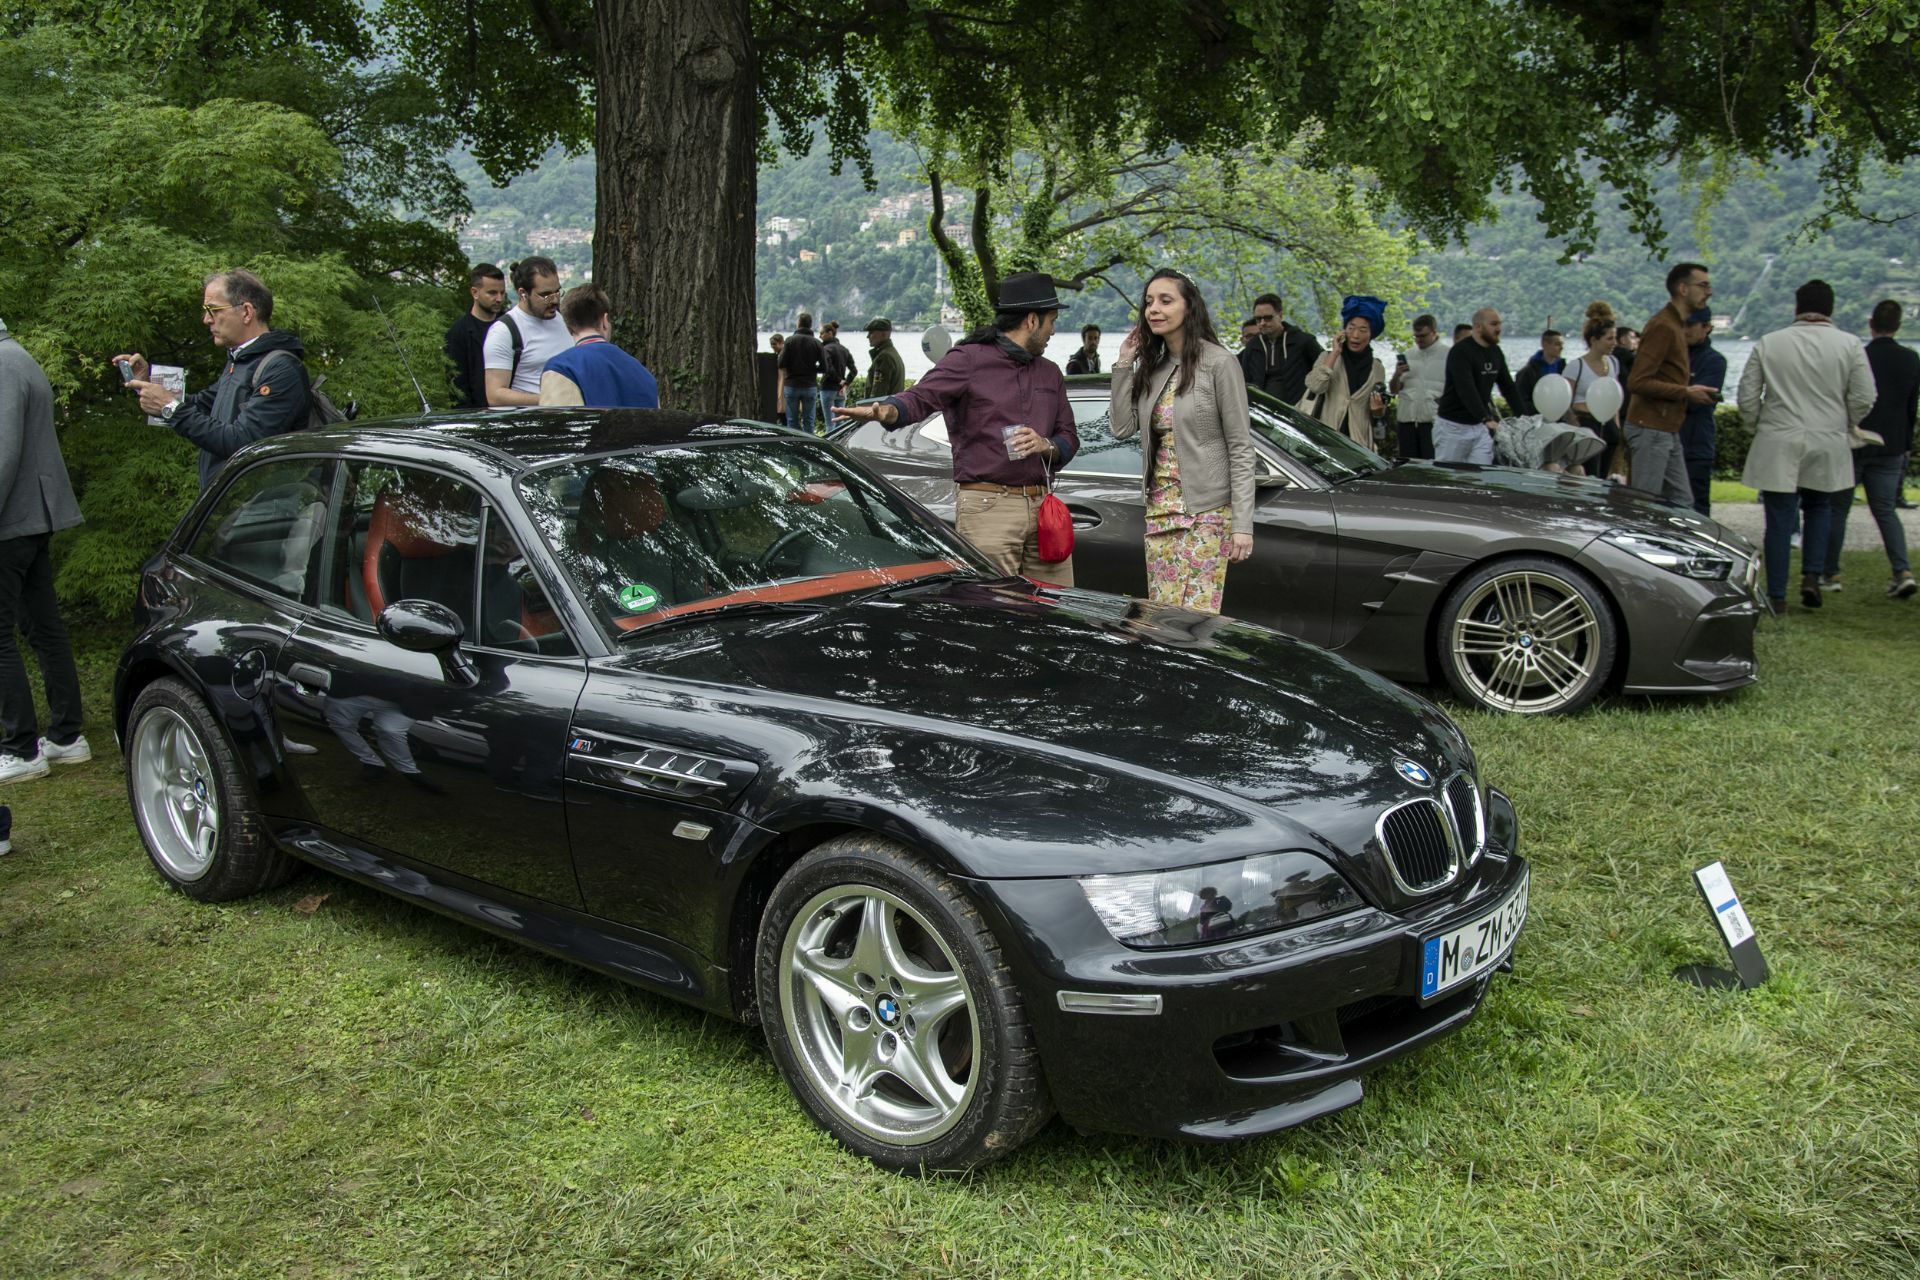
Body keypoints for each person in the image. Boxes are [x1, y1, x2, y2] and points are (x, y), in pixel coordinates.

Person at [832, 273, 1081, 581]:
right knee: (996, 611)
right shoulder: (968, 360)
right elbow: (919, 399)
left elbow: (1069, 437)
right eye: (1051, 321)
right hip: (989, 507)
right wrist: (883, 411)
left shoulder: (1050, 373)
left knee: (1054, 611)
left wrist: (1047, 445)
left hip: (1044, 508)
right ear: (1032, 320)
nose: (1053, 331)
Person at [1107, 270, 1256, 613]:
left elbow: (1240, 446)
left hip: (1207, 512)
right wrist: (1124, 364)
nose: (1153, 310)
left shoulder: (1220, 363)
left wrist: (1243, 526)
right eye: (1148, 302)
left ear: (1189, 308)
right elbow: (1121, 428)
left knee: (1196, 619)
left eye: (1165, 301)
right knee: (1161, 617)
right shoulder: (1155, 367)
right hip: (1160, 511)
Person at [1737, 279, 1877, 614]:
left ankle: (1778, 595)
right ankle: (1812, 577)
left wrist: (1756, 424)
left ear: (1797, 308)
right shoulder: (1849, 344)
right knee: (1820, 508)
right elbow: (1864, 396)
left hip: (1779, 436)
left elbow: (1746, 396)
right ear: (1831, 308)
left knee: (1780, 519)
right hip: (1827, 437)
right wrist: (1846, 422)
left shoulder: (1771, 343)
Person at [119, 269, 312, 490]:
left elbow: (244, 443)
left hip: (262, 507)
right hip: (232, 502)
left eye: (213, 310)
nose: (206, 319)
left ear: (247, 312)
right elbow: (202, 405)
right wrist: (149, 387)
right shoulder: (240, 359)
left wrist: (169, 408)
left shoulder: (281, 368)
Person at [0, 317, 88, 783]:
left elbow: (3, 451)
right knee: (42, 626)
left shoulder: (3, 361)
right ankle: (67, 737)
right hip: (29, 518)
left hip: (10, 521)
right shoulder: (16, 355)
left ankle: (21, 748)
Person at [1821, 299, 1917, 599]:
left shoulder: (1859, 357)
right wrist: (1906, 441)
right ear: (1898, 326)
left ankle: (1831, 572)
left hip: (1855, 441)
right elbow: (1911, 405)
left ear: (1871, 324)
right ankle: (1901, 571)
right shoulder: (1912, 359)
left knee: (1838, 509)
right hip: (1892, 444)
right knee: (1886, 510)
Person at [1626, 264, 1718, 505]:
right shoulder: (1663, 326)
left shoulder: (1675, 325)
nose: (1709, 291)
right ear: (1683, 289)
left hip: (1666, 429)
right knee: (1643, 507)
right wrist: (1686, 392)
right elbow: (1638, 381)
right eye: (1703, 285)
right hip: (1651, 428)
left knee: (1682, 504)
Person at [538, 285, 660, 408]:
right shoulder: (643, 373)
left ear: (568, 327)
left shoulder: (561, 369)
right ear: (605, 321)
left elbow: (556, 424)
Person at [1432, 308, 1519, 464]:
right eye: (1493, 324)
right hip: (1452, 427)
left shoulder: (1495, 352)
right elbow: (1466, 389)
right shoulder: (1460, 351)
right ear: (1478, 327)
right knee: (1449, 478)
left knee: (1480, 477)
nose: (1498, 328)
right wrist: (1485, 417)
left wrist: (1526, 417)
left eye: (1499, 324)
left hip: (1478, 428)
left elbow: (1508, 387)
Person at [482, 257, 570, 407]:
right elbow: (495, 395)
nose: (554, 300)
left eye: (557, 292)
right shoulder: (504, 331)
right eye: (545, 295)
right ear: (523, 293)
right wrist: (548, 400)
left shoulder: (565, 319)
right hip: (527, 423)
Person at [1303, 296, 1389, 448]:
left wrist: (1378, 411)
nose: (1356, 335)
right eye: (1351, 328)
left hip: (1359, 442)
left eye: (1363, 330)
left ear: (1371, 334)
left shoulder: (1377, 368)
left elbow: (1377, 414)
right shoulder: (1327, 357)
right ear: (1344, 330)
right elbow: (1315, 386)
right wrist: (1335, 353)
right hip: (1325, 438)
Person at [1568, 302, 1628, 484]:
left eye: (1615, 338)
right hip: (1586, 425)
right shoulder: (1576, 367)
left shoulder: (1613, 363)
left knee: (1604, 477)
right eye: (1609, 339)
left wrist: (1617, 429)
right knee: (1588, 477)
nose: (1614, 343)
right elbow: (1565, 402)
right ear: (1594, 340)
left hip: (1608, 426)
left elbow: (1613, 397)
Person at [1680, 308, 1727, 515]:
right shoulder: (1671, 356)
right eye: (1682, 324)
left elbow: (1700, 401)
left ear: (1706, 328)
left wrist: (1671, 393)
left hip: (1696, 445)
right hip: (1667, 442)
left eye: (1690, 325)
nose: (1685, 330)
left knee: (1697, 508)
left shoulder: (1714, 361)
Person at [1239, 293, 1322, 405]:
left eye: (1268, 318)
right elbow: (1245, 381)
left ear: (1280, 316)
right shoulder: (1253, 346)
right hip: (1262, 412)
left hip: (1299, 412)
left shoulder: (1303, 341)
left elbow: (1322, 371)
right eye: (1258, 319)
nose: (1263, 323)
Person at [444, 263, 506, 409]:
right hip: (477, 415)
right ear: (475, 292)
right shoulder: (458, 333)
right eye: (492, 293)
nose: (499, 298)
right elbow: (458, 387)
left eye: (502, 293)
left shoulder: (511, 325)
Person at [1390, 313, 1446, 460]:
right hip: (1407, 420)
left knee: (1431, 465)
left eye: (1422, 336)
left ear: (1434, 333)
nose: (1418, 340)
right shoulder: (1408, 354)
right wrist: (1397, 374)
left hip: (1432, 421)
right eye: (1416, 336)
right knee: (1407, 465)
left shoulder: (1448, 355)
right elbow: (1394, 390)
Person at [778, 313, 826, 435]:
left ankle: (795, 446)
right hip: (810, 385)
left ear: (798, 323)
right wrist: (812, 369)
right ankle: (809, 445)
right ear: (810, 325)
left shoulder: (789, 341)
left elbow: (781, 363)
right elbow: (825, 367)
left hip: (792, 385)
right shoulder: (817, 343)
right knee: (809, 421)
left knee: (792, 421)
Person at [1513, 330, 1566, 417]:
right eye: (1557, 344)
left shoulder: (1564, 369)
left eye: (1562, 344)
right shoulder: (1527, 372)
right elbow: (1521, 400)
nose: (1561, 348)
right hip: (1537, 418)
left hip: (1560, 417)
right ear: (1545, 344)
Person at [817, 322, 858, 429]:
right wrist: (845, 383)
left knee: (830, 423)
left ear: (830, 333)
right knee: (840, 424)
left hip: (828, 388)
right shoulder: (844, 349)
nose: (820, 336)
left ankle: (830, 445)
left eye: (821, 333)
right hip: (841, 390)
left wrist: (839, 380)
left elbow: (828, 368)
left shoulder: (826, 349)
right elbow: (854, 370)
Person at [864, 318, 905, 399]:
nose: (868, 336)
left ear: (884, 334)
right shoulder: (891, 353)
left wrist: (869, 408)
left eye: (871, 332)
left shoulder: (884, 357)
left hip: (883, 408)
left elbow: (878, 394)